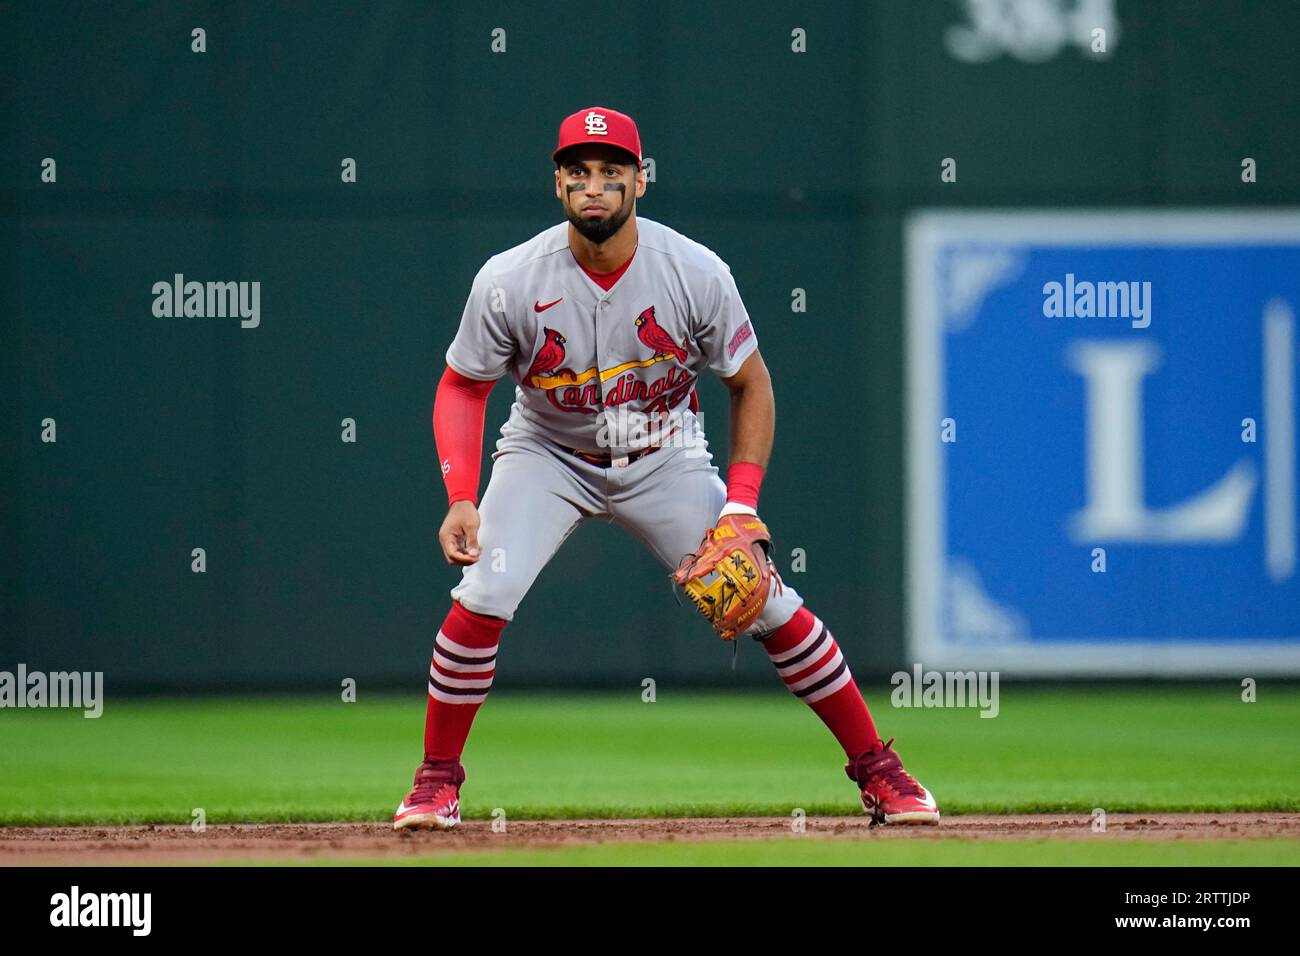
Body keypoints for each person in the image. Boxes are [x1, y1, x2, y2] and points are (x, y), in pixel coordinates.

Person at [393, 106, 939, 830]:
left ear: (640, 181)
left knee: (768, 603)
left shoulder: (694, 271)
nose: (595, 187)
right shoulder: (510, 278)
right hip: (547, 452)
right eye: (578, 172)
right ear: (557, 185)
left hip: (665, 453)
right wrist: (461, 495)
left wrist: (740, 506)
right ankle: (436, 781)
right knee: (485, 589)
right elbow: (464, 383)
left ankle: (882, 772)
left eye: (612, 172)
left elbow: (751, 384)